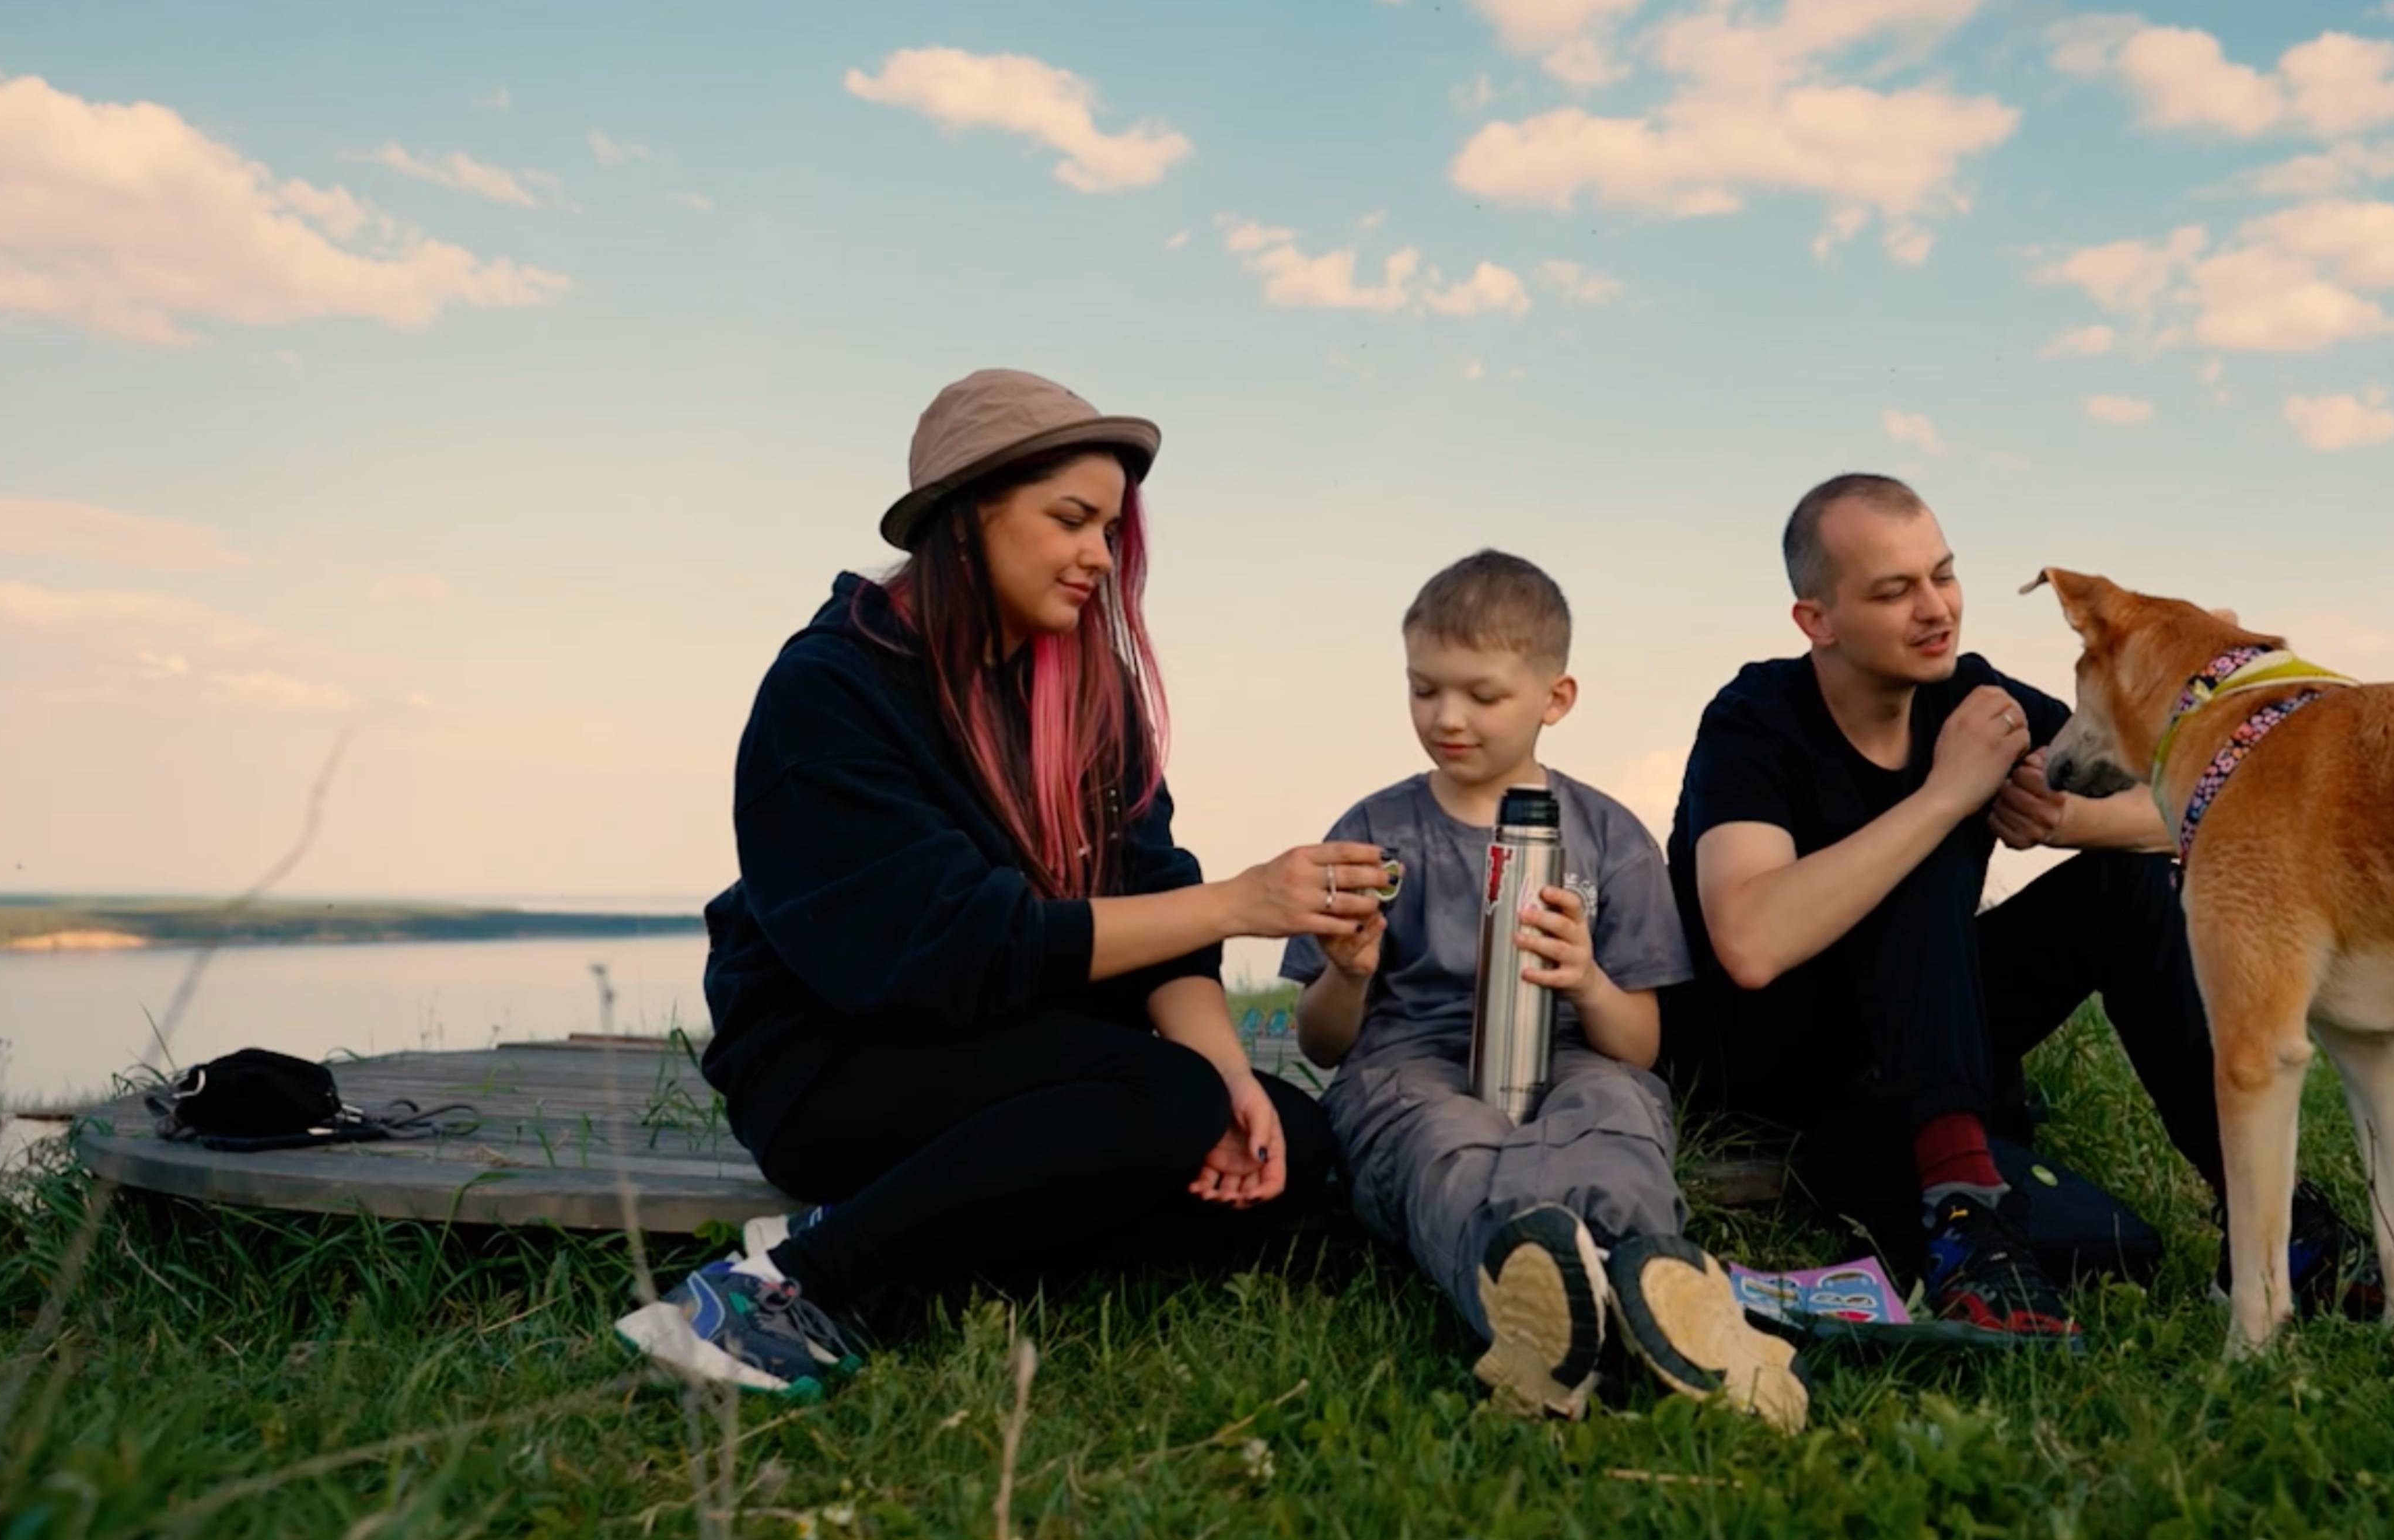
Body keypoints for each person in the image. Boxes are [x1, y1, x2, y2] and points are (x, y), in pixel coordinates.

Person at [620, 369, 1390, 1397]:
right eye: (1070, 520)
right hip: (830, 1063)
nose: (1099, 556)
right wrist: (1243, 903)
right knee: (1162, 1100)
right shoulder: (831, 688)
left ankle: (902, 1228)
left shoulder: (1086, 690)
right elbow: (953, 950)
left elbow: (1154, 890)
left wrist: (1231, 1075)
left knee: (1288, 1146)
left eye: (1109, 530)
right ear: (965, 518)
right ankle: (791, 1289)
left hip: (1009, 1048)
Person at [1666, 471, 2362, 1341]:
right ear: (1818, 621)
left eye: (1943, 575)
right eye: (1894, 591)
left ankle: (2270, 1216)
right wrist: (1946, 796)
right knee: (1919, 848)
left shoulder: (1972, 697)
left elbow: (2196, 799)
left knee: (2122, 882)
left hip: (1930, 1032)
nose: (1936, 610)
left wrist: (2070, 819)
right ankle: (1967, 1228)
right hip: (1786, 1062)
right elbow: (1748, 942)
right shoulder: (1754, 719)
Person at [1282, 552, 1804, 1428]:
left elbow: (1639, 1047)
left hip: (1573, 1057)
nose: (1447, 718)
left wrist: (1588, 979)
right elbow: (1321, 1045)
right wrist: (1348, 973)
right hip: (1409, 1066)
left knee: (1613, 1120)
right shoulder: (1374, 832)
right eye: (1423, 689)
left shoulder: (1610, 838)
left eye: (1482, 696)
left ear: (1554, 699)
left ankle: (1665, 1300)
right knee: (1448, 1146)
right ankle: (1537, 1308)